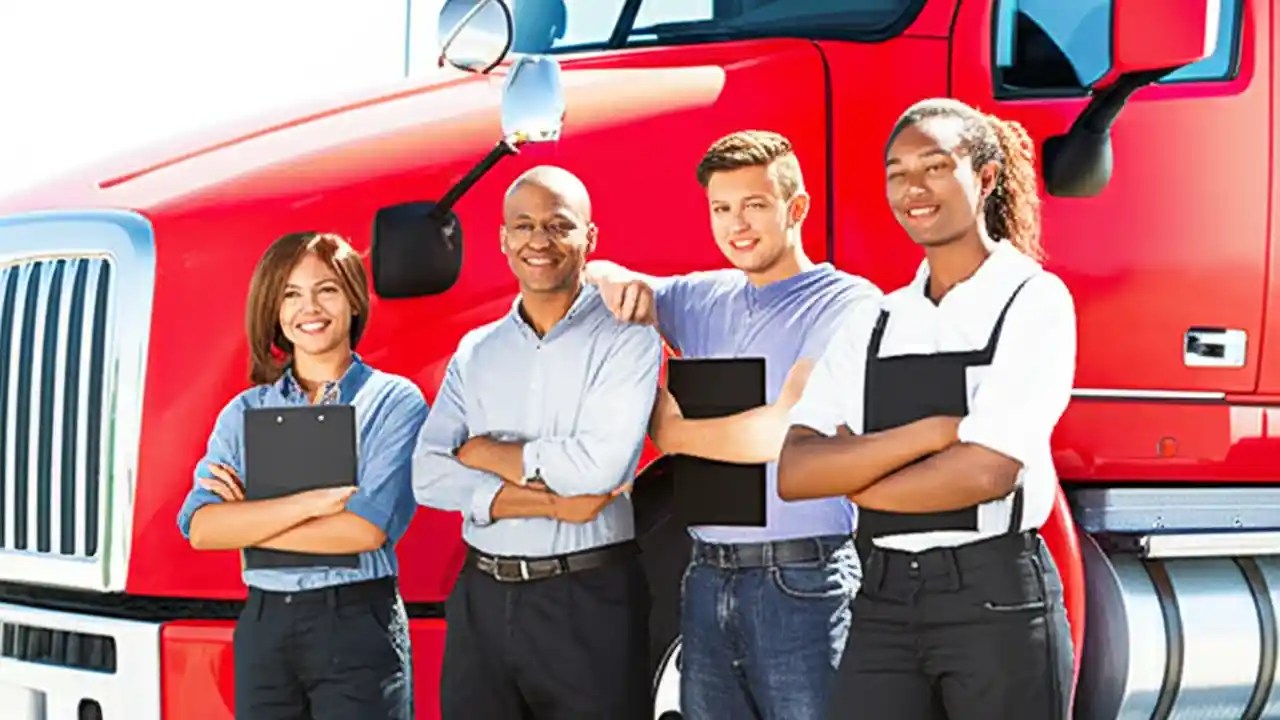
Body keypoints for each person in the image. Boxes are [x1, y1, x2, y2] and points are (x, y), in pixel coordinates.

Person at [777, 97, 1076, 719]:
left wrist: (859, 480)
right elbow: (797, 472)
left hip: (995, 602)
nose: (913, 188)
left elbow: (986, 473)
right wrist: (936, 432)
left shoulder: (1032, 300)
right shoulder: (874, 320)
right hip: (883, 601)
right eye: (897, 172)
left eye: (935, 166)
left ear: (986, 177)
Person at [586, 130, 882, 719]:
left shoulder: (848, 302)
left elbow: (789, 431)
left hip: (803, 582)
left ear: (795, 209)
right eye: (721, 209)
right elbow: (607, 277)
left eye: (754, 205)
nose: (736, 225)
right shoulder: (701, 299)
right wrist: (607, 276)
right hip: (706, 579)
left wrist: (672, 435)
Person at [413, 165, 662, 719]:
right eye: (523, 226)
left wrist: (486, 455)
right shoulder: (477, 350)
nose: (539, 241)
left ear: (589, 239)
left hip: (588, 597)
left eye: (559, 225)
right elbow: (427, 474)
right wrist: (550, 502)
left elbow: (599, 468)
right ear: (503, 240)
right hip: (481, 598)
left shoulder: (628, 337)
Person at [175, 231, 427, 720]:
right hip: (264, 625)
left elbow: (364, 530)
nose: (309, 307)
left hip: (355, 623)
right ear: (274, 309)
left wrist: (247, 517)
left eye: (326, 289)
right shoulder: (245, 411)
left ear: (354, 300)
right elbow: (202, 528)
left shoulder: (394, 402)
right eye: (291, 293)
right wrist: (313, 502)